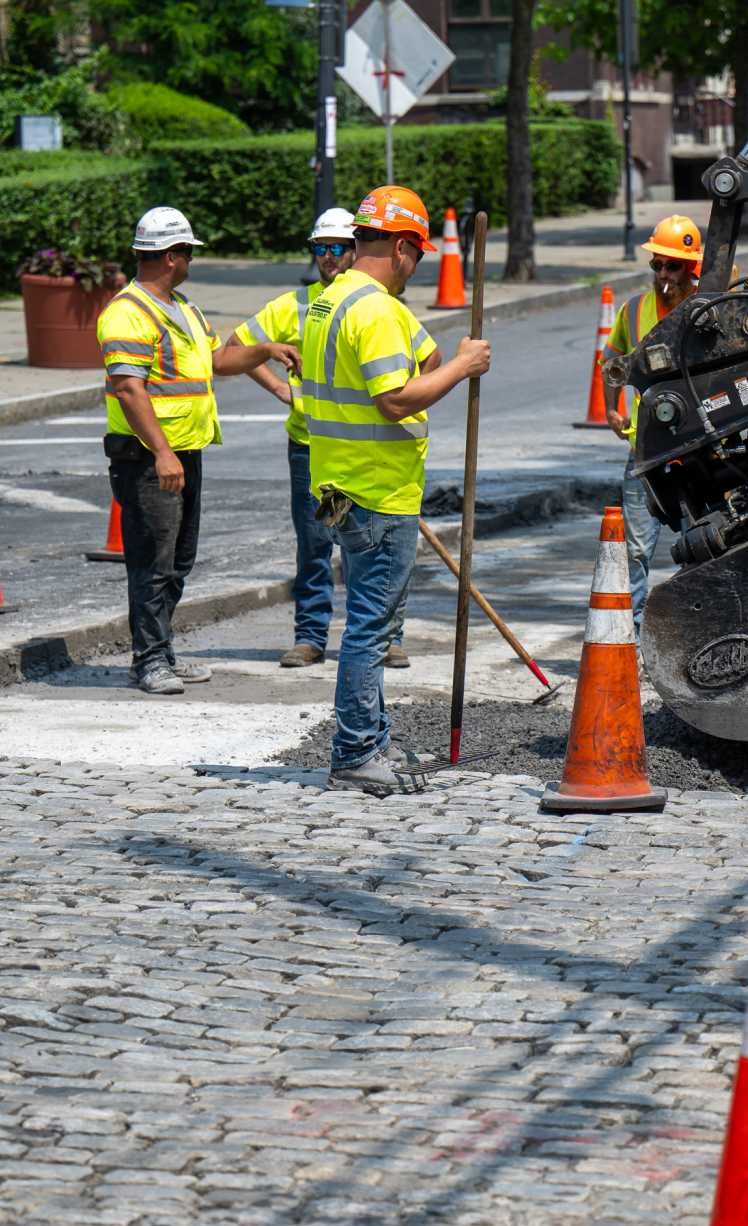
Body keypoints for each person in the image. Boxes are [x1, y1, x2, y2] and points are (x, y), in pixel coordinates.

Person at [301, 185, 491, 794]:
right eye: (419, 256)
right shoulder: (376, 310)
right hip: (376, 492)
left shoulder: (330, 301)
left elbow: (417, 356)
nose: (419, 268)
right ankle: (356, 751)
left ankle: (372, 736)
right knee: (371, 627)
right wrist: (461, 367)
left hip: (338, 488)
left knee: (368, 620)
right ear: (405, 248)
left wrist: (441, 358)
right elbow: (394, 400)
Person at [98, 206, 298, 695]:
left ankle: (161, 650)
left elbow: (216, 359)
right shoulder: (127, 313)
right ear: (170, 256)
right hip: (148, 457)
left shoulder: (183, 307)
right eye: (187, 252)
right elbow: (129, 389)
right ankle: (148, 661)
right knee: (151, 561)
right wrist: (162, 453)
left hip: (185, 451)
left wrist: (264, 350)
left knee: (178, 561)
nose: (191, 260)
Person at [230, 208, 411, 672]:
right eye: (320, 248)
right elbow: (233, 349)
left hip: (363, 450)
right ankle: (311, 636)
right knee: (314, 545)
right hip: (309, 446)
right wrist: (280, 388)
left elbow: (423, 358)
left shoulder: (377, 305)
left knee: (369, 549)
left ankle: (383, 635)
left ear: (356, 250)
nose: (329, 257)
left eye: (337, 248)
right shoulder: (296, 306)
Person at [602, 213, 703, 630]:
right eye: (657, 264)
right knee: (637, 549)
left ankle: (694, 625)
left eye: (672, 264)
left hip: (699, 447)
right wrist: (611, 407)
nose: (663, 273)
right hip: (645, 447)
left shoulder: (706, 308)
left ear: (692, 266)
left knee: (700, 543)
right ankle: (633, 634)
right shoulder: (634, 311)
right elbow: (612, 361)